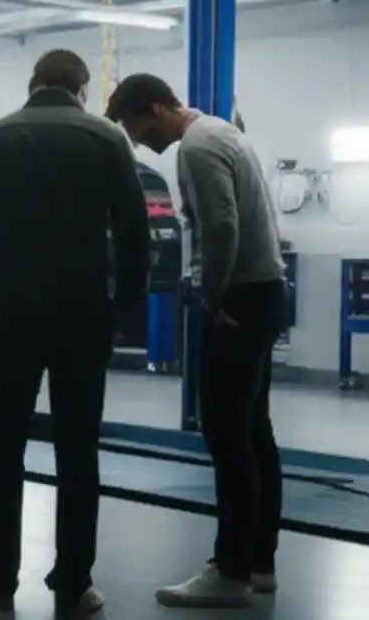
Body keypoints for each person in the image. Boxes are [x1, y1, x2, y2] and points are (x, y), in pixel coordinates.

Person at [0, 49, 151, 617]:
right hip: (83, 317)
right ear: (83, 91)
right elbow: (134, 232)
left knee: (3, 449)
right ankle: (73, 586)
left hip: (11, 316)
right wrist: (124, 307)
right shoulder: (107, 140)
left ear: (32, 84)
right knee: (79, 453)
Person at [105, 74, 286, 609]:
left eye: (141, 130)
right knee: (253, 431)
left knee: (225, 434)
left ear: (158, 108)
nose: (142, 144)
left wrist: (214, 292)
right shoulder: (224, 132)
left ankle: (230, 572)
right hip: (265, 291)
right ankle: (259, 562)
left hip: (239, 297)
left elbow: (221, 225)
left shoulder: (198, 148)